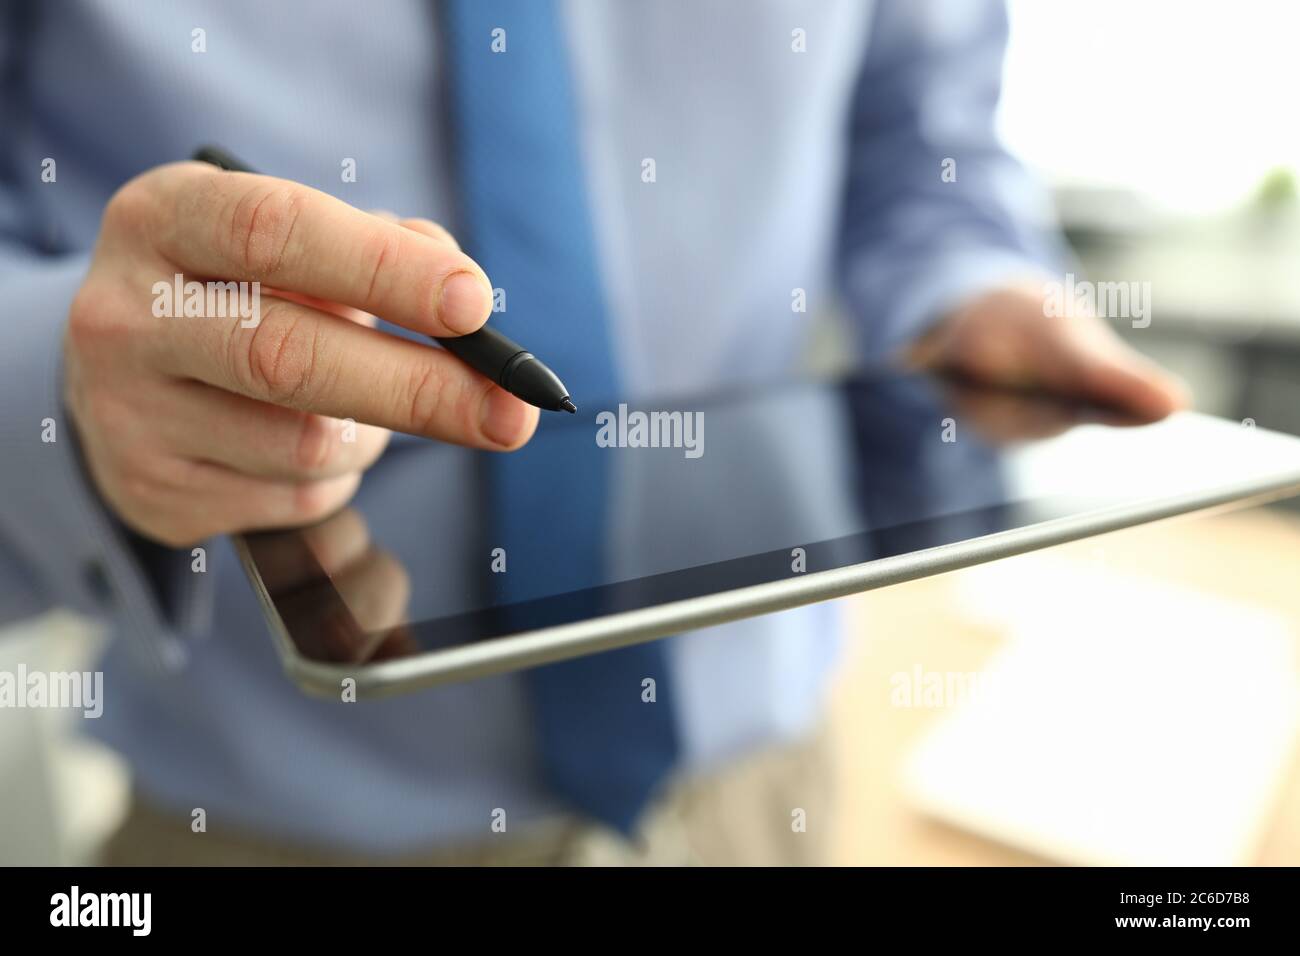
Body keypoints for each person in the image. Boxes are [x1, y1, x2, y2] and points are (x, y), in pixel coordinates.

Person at [0, 0, 1186, 865]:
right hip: (261, 823)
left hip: (763, 797)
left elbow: (914, 137)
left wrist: (969, 284)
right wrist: (62, 379)